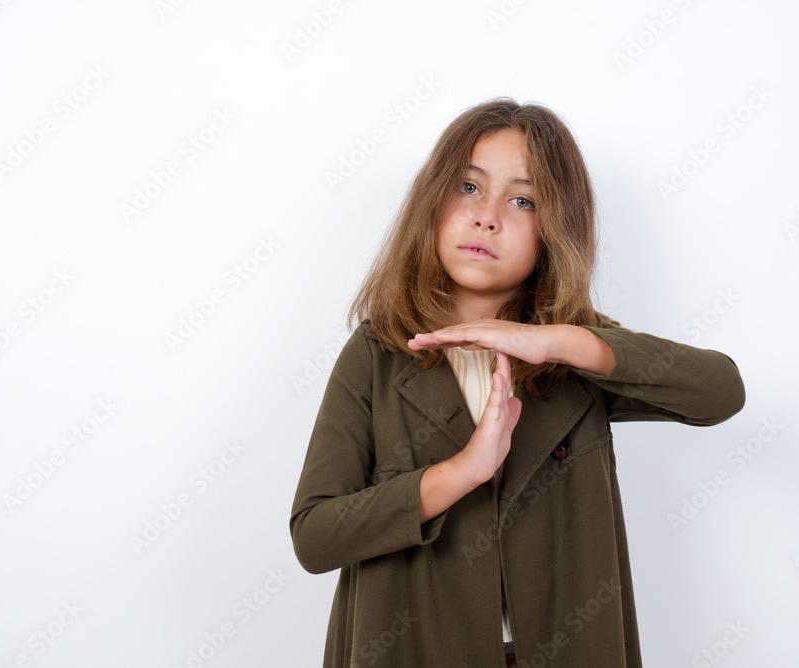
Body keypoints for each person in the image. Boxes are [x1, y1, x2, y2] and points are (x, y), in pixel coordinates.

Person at [290, 98, 746, 667]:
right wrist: (461, 473)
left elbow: (721, 393)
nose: (488, 217)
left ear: (553, 229)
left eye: (523, 200)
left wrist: (557, 341)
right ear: (432, 202)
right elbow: (315, 535)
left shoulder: (576, 354)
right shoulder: (377, 351)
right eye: (469, 187)